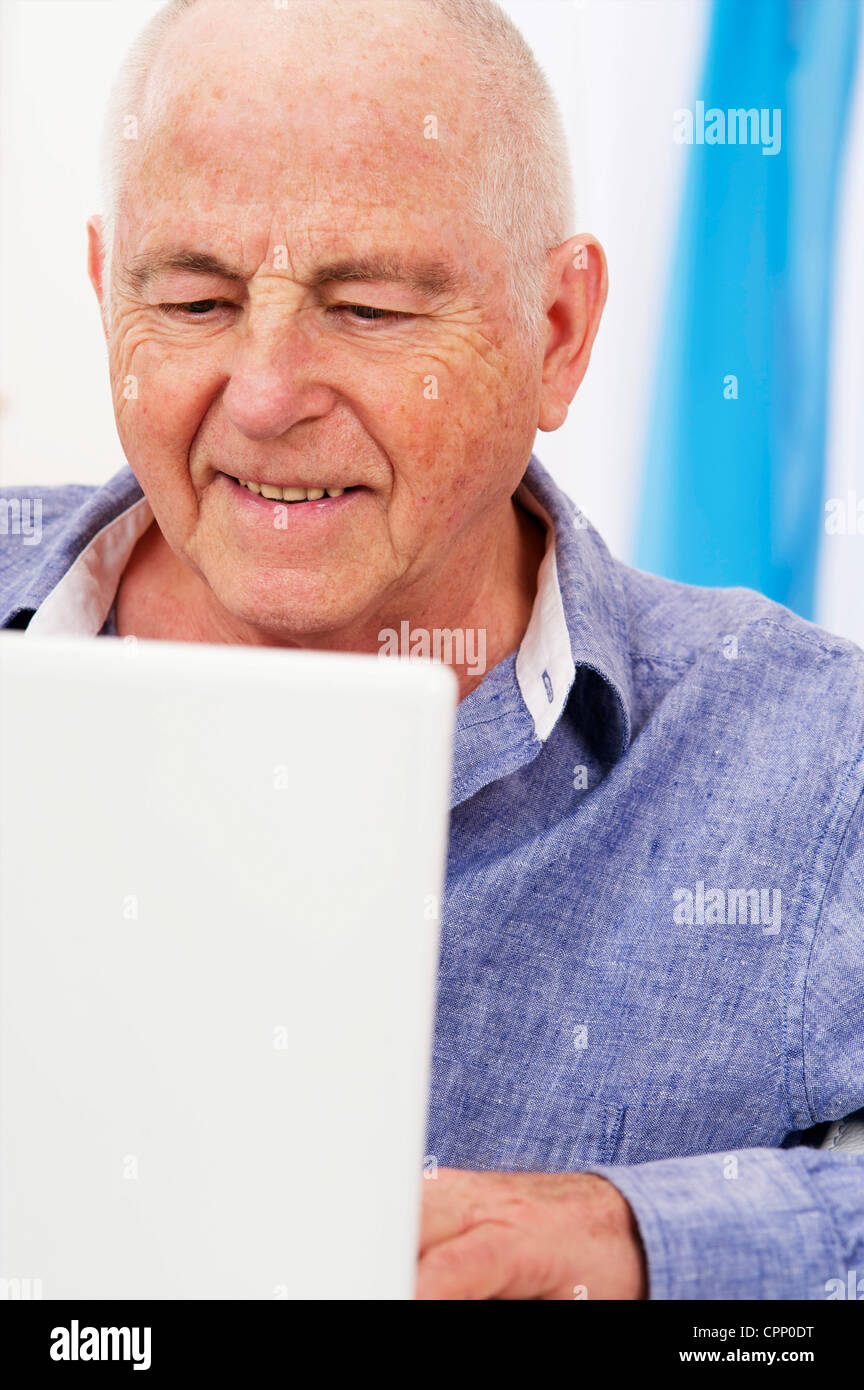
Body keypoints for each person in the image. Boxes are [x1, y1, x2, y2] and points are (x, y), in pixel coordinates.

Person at [1, 0, 861, 1300]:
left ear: (558, 334)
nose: (271, 390)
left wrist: (640, 1240)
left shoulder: (807, 756)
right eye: (192, 297)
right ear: (103, 289)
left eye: (372, 308)